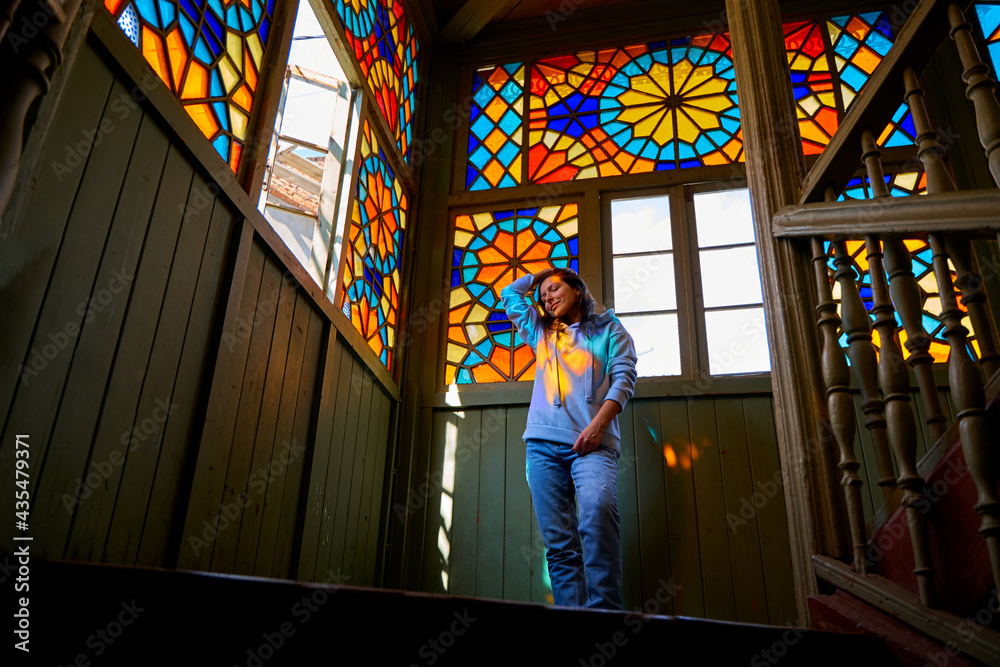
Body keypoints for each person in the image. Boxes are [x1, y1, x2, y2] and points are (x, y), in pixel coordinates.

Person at [501, 267, 638, 610]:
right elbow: (509, 295)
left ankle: (604, 614)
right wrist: (540, 276)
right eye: (543, 294)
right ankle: (571, 620)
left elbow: (624, 379)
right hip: (542, 448)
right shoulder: (542, 333)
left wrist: (597, 427)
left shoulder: (610, 329)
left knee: (598, 519)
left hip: (593, 445)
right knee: (560, 544)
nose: (547, 297)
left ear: (577, 290)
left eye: (555, 288)